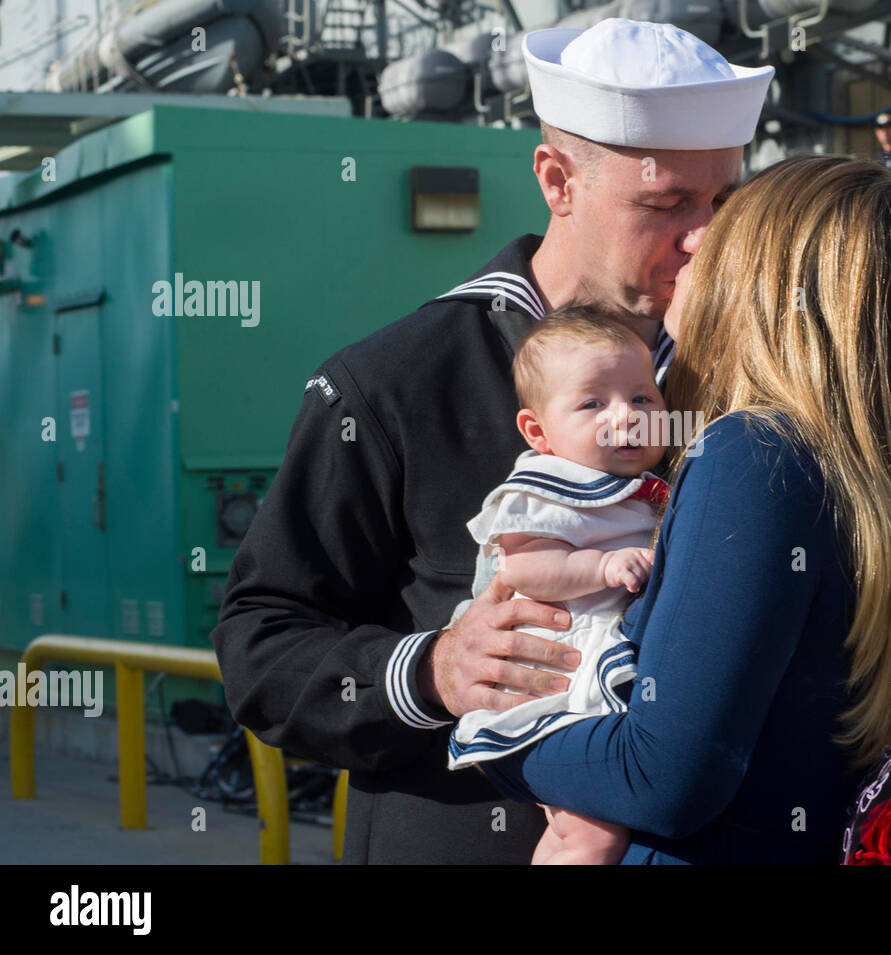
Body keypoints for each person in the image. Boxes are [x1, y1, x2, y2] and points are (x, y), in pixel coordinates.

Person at [208, 18, 773, 864]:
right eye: (665, 203)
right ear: (557, 179)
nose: (703, 239)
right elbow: (259, 641)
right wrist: (432, 668)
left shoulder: (744, 380)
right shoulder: (393, 384)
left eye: (723, 203)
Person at [479, 155, 891, 864]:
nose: (695, 239)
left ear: (762, 279)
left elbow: (660, 777)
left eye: (724, 224)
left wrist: (484, 730)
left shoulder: (750, 453)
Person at [447, 305, 670, 864]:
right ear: (539, 432)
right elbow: (524, 570)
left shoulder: (637, 486)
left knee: (586, 829)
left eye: (642, 397)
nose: (626, 416)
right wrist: (601, 567)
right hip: (553, 683)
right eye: (593, 403)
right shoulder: (545, 488)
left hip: (593, 673)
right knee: (594, 834)